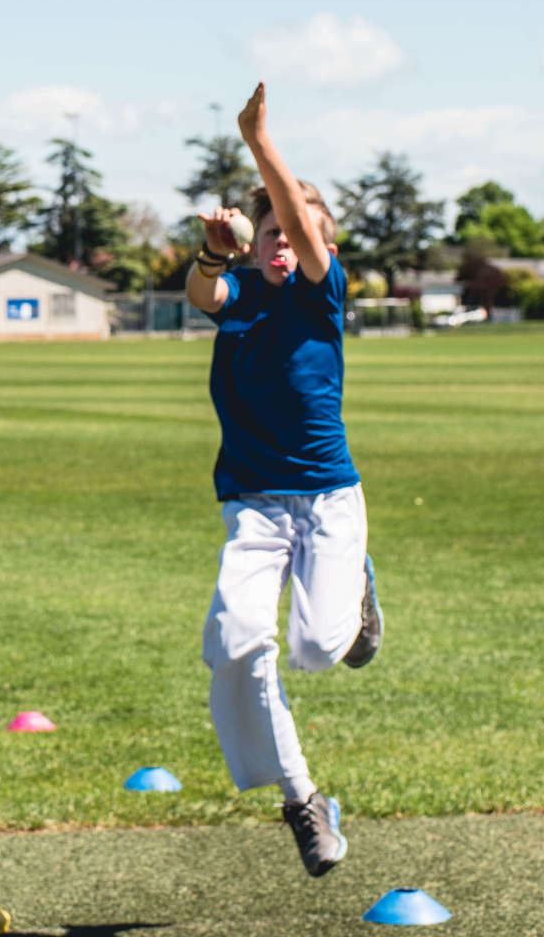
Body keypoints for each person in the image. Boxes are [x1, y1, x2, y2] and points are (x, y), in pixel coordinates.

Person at [184, 82, 381, 879]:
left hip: (329, 501)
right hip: (255, 508)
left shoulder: (317, 294)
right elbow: (201, 290)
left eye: (292, 231)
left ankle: (360, 588)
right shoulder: (236, 298)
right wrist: (216, 249)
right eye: (268, 230)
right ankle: (303, 799)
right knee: (233, 641)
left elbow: (300, 222)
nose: (281, 240)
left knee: (313, 649)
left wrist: (259, 143)